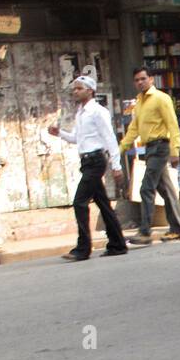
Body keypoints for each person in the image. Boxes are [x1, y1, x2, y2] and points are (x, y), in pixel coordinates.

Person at [48, 75, 127, 261]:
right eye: (74, 89)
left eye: (79, 88)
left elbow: (109, 138)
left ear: (90, 91)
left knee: (79, 202)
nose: (75, 92)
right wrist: (59, 133)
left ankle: (83, 248)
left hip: (96, 161)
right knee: (103, 204)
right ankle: (118, 244)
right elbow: (77, 139)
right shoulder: (80, 112)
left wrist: (117, 165)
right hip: (87, 161)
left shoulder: (98, 111)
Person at [118, 65, 180, 244]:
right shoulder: (139, 102)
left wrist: (175, 151)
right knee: (166, 191)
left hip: (160, 147)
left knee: (146, 188)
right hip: (149, 148)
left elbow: (173, 124)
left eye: (143, 79)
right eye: (137, 80)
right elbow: (134, 128)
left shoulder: (161, 98)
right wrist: (121, 147)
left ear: (151, 79)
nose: (140, 82)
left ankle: (145, 232)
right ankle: (179, 228)